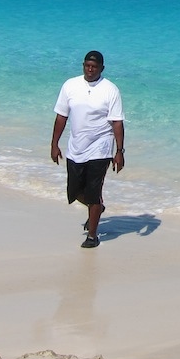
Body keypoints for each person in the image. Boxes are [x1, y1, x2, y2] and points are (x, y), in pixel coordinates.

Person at [50, 50, 125, 249]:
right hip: (76, 148)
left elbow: (117, 122)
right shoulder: (70, 85)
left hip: (101, 148)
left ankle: (92, 235)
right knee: (73, 192)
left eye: (94, 67)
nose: (90, 70)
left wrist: (119, 152)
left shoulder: (110, 90)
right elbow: (61, 117)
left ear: (102, 68)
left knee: (93, 192)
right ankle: (97, 207)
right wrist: (54, 144)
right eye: (87, 66)